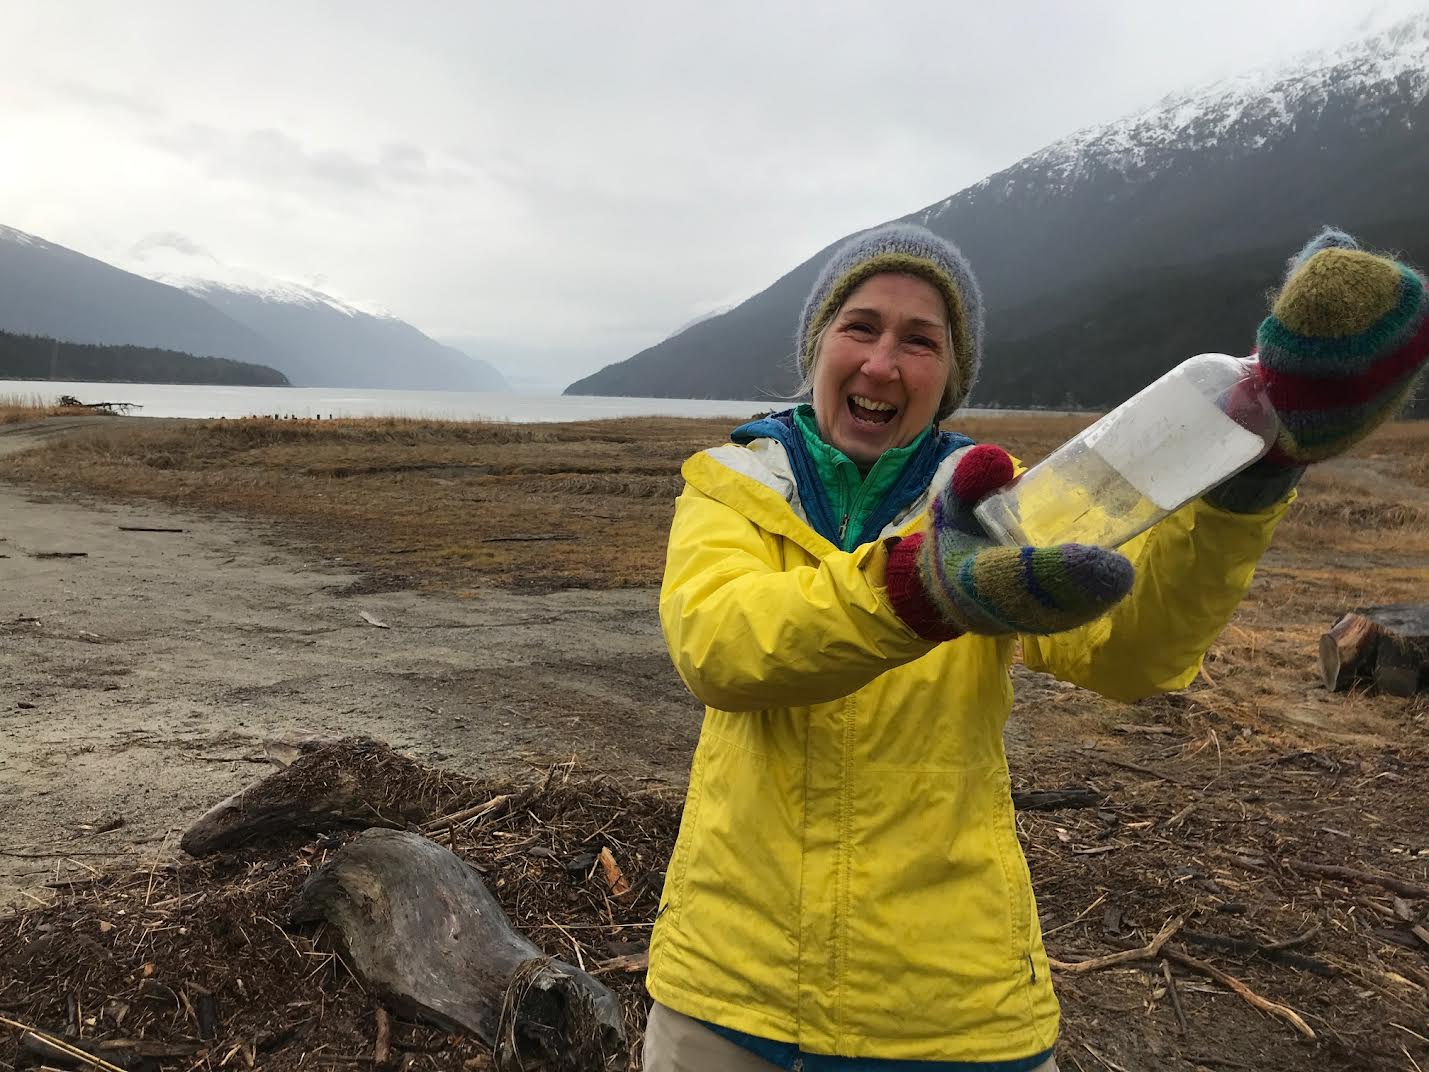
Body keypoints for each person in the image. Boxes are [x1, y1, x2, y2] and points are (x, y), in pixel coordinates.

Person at [643, 223, 1428, 1071]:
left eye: (920, 341)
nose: (881, 363)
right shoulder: (731, 483)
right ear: (819, 345)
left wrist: (1251, 478)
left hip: (950, 1001)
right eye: (860, 326)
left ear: (949, 377)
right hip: (726, 989)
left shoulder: (998, 503)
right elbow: (719, 650)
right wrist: (919, 587)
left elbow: (1132, 657)